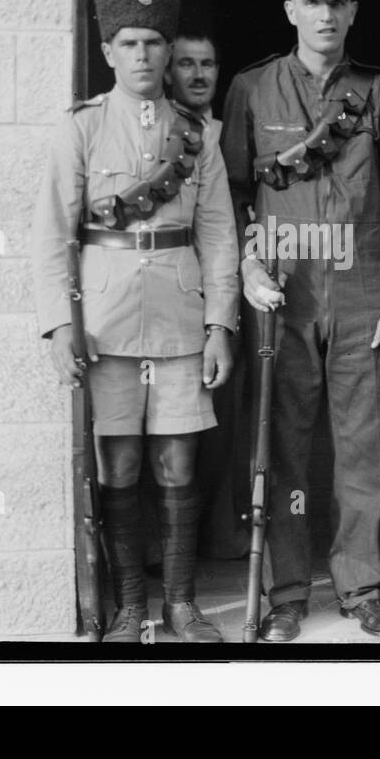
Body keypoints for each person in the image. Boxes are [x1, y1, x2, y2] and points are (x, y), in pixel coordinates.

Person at [222, 0, 380, 641]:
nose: (326, 12)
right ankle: (285, 593)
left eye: (339, 2)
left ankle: (363, 586)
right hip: (285, 285)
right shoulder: (253, 88)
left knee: (366, 446)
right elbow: (234, 195)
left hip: (364, 282)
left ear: (354, 10)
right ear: (290, 7)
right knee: (280, 444)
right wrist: (249, 265)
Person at [31, 0, 239, 642]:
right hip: (107, 322)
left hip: (179, 322)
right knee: (117, 465)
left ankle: (180, 604)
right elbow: (52, 233)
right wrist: (60, 324)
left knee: (178, 463)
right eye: (130, 42)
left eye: (155, 42)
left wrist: (220, 325)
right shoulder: (83, 128)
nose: (144, 55)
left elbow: (218, 235)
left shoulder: (195, 135)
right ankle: (128, 606)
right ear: (108, 51)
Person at [163, 30, 250, 560]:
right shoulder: (165, 130)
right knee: (170, 430)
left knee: (223, 425)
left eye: (209, 64)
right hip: (174, 294)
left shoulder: (227, 132)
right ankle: (167, 546)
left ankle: (219, 535)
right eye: (187, 64)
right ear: (170, 70)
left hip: (228, 289)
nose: (198, 75)